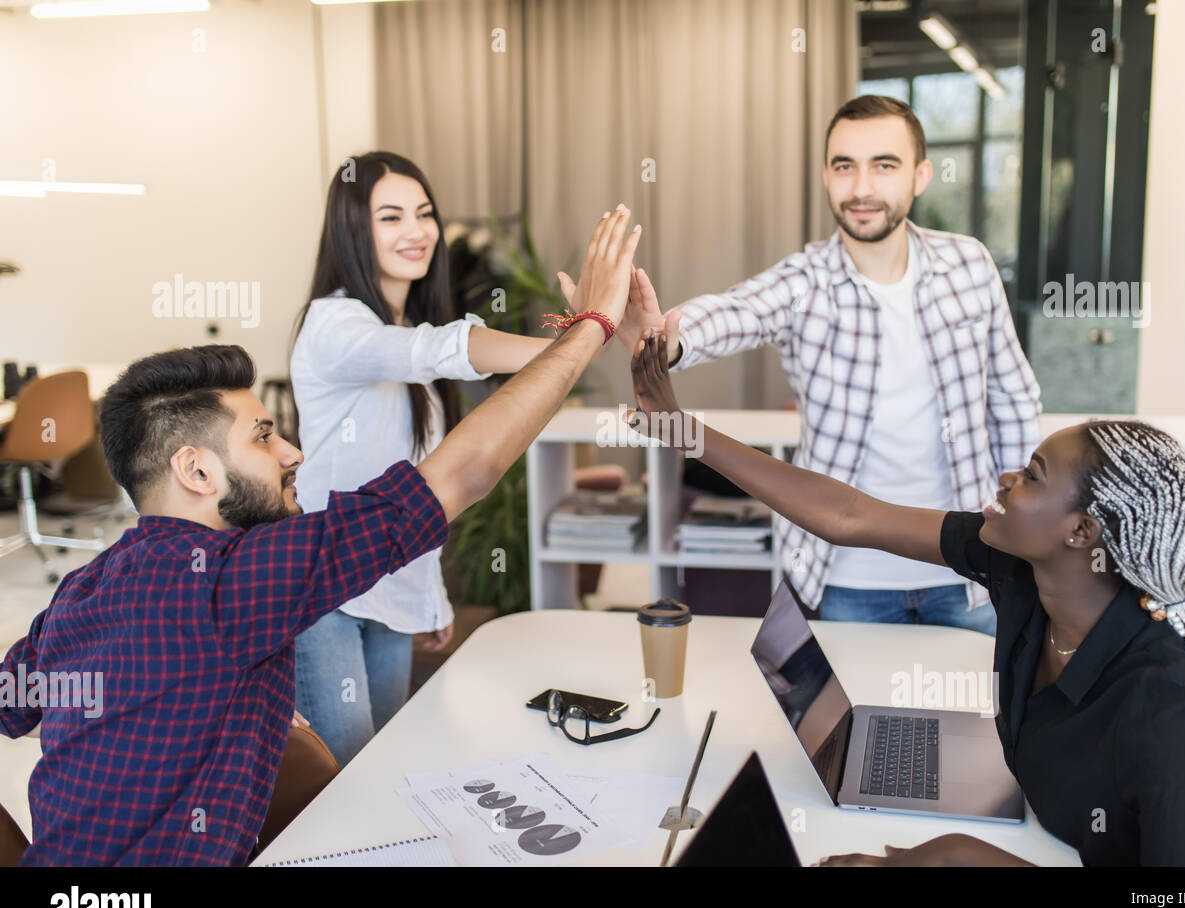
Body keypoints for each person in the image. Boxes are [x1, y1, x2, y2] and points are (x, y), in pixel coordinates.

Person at [0, 207, 642, 865]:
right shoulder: (236, 578)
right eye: (263, 436)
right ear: (195, 470)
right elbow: (465, 473)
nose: (292, 453)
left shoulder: (82, 589)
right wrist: (591, 327)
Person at [629, 329, 1185, 866]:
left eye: (1032, 475)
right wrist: (680, 428)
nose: (1008, 477)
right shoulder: (1020, 569)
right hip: (1037, 833)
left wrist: (966, 858)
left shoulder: (1163, 694)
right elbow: (849, 515)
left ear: (1081, 532)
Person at [589, 95, 1042, 635]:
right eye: (844, 166)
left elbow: (1014, 400)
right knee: (860, 721)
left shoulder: (969, 264)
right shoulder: (804, 281)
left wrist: (1024, 533)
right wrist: (664, 339)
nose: (861, 188)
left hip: (969, 567)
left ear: (920, 175)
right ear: (826, 176)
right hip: (848, 575)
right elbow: (736, 312)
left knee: (975, 719)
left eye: (884, 165)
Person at [289, 152, 556, 766]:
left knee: (383, 760)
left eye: (425, 213)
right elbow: (439, 349)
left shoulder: (408, 326)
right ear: (353, 230)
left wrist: (428, 592)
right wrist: (572, 342)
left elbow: (422, 483)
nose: (416, 231)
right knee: (346, 773)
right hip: (326, 592)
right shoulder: (335, 323)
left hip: (389, 582)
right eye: (391, 217)